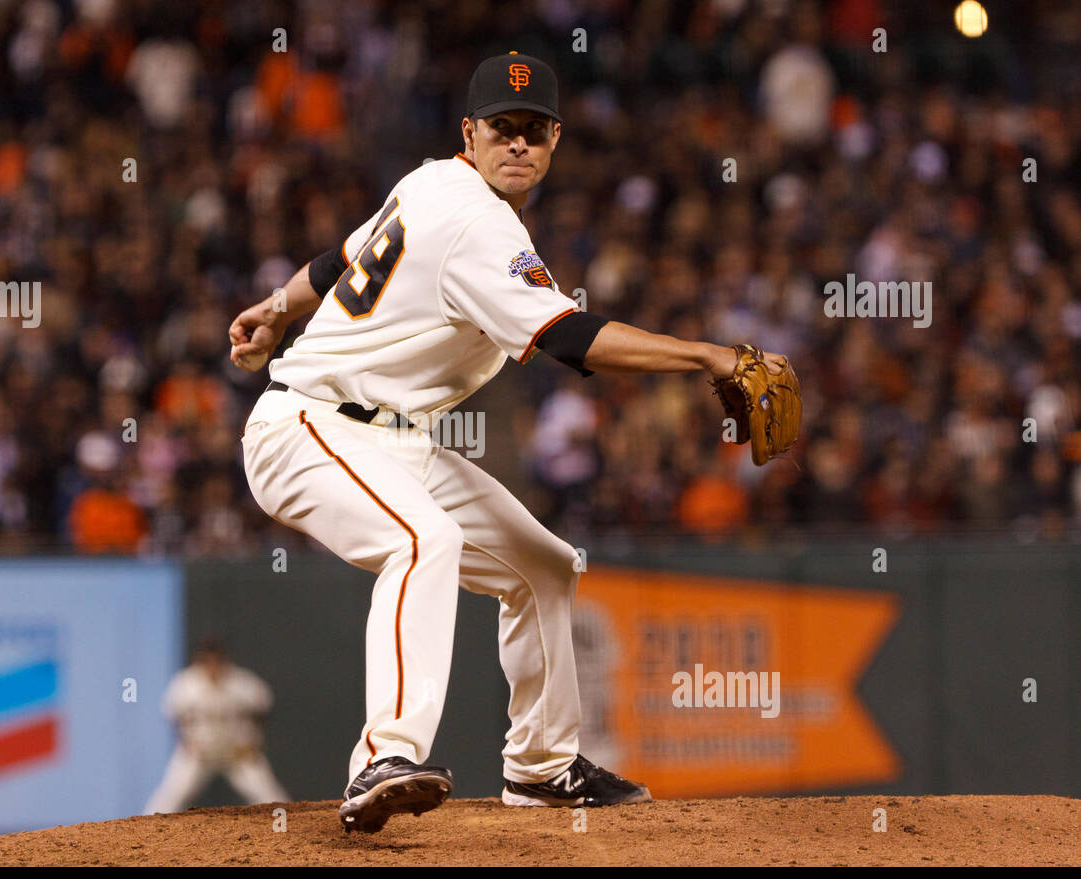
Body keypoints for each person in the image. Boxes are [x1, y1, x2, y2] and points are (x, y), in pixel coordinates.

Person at [230, 52, 788, 833]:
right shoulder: (478, 223)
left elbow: (340, 259)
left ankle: (541, 767)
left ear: (555, 140)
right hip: (306, 428)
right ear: (471, 132)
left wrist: (276, 307)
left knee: (545, 568)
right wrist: (709, 355)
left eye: (534, 131)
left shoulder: (428, 182)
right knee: (424, 540)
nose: (518, 144)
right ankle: (383, 758)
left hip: (395, 438)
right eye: (503, 128)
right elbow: (570, 339)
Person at [143, 642, 288, 813]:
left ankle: (289, 828)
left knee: (267, 793)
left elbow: (263, 708)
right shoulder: (186, 684)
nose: (213, 665)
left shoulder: (242, 683)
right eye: (208, 661)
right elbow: (173, 715)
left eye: (217, 661)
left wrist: (254, 740)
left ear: (225, 661)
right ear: (200, 662)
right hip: (200, 754)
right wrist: (186, 741)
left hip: (236, 754)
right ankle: (143, 834)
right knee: (170, 796)